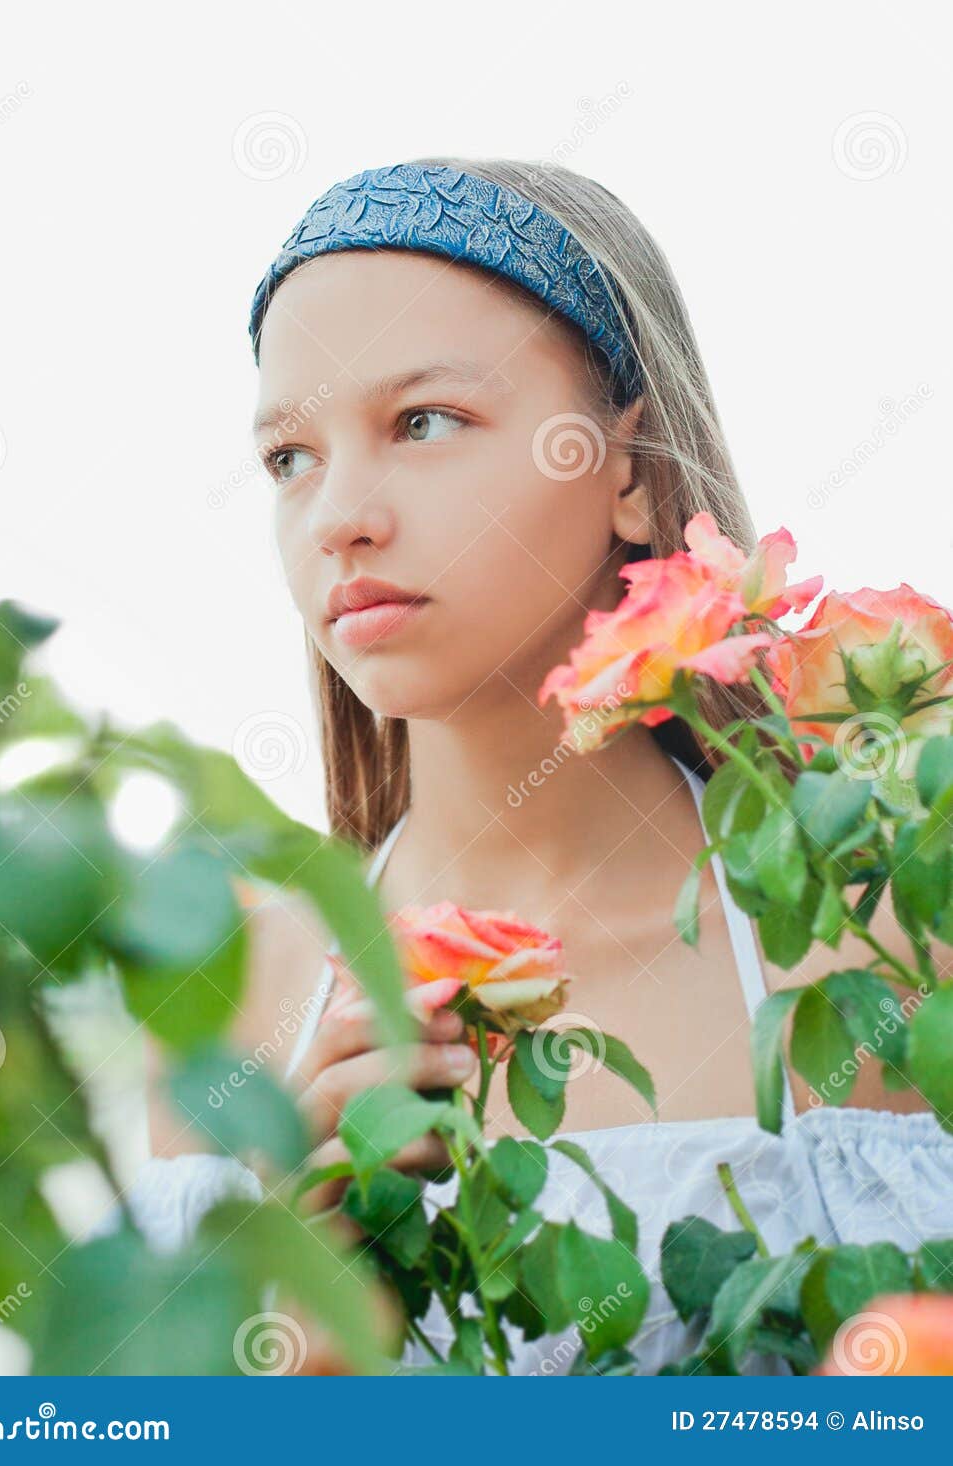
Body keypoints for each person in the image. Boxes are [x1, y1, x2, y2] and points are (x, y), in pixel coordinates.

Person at [97, 159, 953, 1373]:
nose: (337, 512)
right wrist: (298, 1309)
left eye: (423, 422)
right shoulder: (233, 997)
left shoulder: (872, 952)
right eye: (288, 455)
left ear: (628, 472)